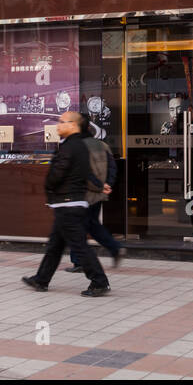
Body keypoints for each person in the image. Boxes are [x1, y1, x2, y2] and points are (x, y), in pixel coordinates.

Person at [21, 110, 111, 296]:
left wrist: (49, 186)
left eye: (62, 122)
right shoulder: (78, 145)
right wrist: (99, 185)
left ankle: (99, 281)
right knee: (55, 245)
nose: (58, 125)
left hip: (68, 203)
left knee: (79, 245)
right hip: (69, 202)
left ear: (73, 125)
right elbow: (86, 173)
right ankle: (41, 279)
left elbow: (58, 173)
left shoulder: (70, 147)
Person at [68, 119, 124, 272]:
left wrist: (99, 186)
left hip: (84, 194)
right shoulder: (103, 145)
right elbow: (112, 168)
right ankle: (114, 248)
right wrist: (107, 185)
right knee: (91, 224)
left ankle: (79, 261)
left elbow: (83, 173)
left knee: (78, 227)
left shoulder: (78, 147)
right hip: (99, 195)